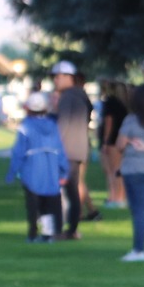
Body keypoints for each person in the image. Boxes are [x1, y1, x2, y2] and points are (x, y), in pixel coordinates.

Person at [7, 91, 70, 243]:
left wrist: (13, 171)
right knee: (49, 203)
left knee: (33, 204)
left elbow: (18, 151)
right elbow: (60, 150)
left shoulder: (25, 126)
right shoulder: (53, 126)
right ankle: (48, 234)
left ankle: (32, 233)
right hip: (51, 169)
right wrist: (64, 172)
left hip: (32, 169)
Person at [51, 61, 93, 237]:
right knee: (72, 190)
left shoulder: (68, 97)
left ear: (68, 77)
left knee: (60, 191)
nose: (55, 80)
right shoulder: (81, 95)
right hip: (78, 149)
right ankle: (73, 229)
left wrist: (53, 147)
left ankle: (61, 229)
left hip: (65, 150)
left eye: (58, 76)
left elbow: (63, 124)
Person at [118, 83, 144, 262]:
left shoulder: (131, 120)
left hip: (134, 169)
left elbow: (120, 144)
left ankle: (138, 249)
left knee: (139, 210)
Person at [97, 79, 130, 209]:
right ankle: (117, 196)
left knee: (113, 170)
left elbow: (109, 122)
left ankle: (117, 197)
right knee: (117, 169)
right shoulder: (124, 105)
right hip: (120, 138)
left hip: (112, 140)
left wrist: (105, 140)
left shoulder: (110, 102)